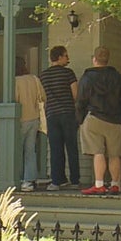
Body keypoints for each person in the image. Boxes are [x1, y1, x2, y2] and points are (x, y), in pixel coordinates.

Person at [76, 46, 121, 195]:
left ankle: (99, 184)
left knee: (97, 152)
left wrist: (80, 119)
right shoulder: (116, 76)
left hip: (94, 117)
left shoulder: (87, 77)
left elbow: (81, 100)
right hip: (115, 119)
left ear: (94, 59)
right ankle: (115, 184)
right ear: (107, 59)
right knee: (114, 154)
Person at [39, 45, 79, 191]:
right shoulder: (68, 73)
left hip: (51, 114)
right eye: (66, 56)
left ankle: (57, 180)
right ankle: (75, 180)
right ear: (60, 57)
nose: (68, 59)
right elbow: (75, 94)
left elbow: (42, 96)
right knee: (71, 147)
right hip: (68, 113)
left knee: (56, 148)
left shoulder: (43, 75)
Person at [14, 57, 45, 192]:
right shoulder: (34, 79)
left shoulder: (15, 81)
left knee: (17, 150)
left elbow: (14, 100)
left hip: (20, 120)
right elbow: (43, 97)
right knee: (30, 150)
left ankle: (17, 178)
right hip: (34, 118)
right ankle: (29, 179)